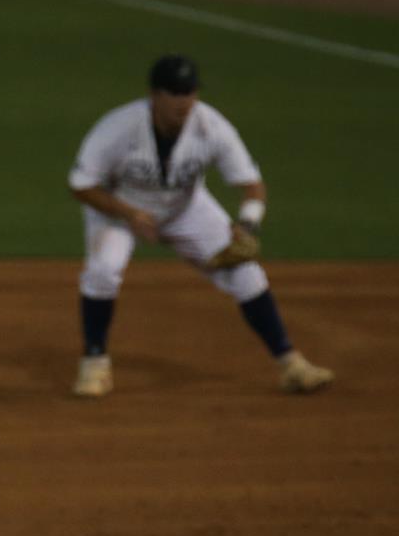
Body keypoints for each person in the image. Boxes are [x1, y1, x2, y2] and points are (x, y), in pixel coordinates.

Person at [68, 53, 334, 397]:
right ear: (155, 95)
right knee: (103, 270)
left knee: (246, 272)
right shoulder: (118, 127)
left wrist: (248, 225)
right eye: (175, 92)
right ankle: (94, 364)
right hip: (118, 210)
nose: (184, 100)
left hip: (186, 210)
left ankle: (291, 364)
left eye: (190, 91)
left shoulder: (212, 127)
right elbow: (81, 185)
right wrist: (128, 213)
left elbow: (251, 185)